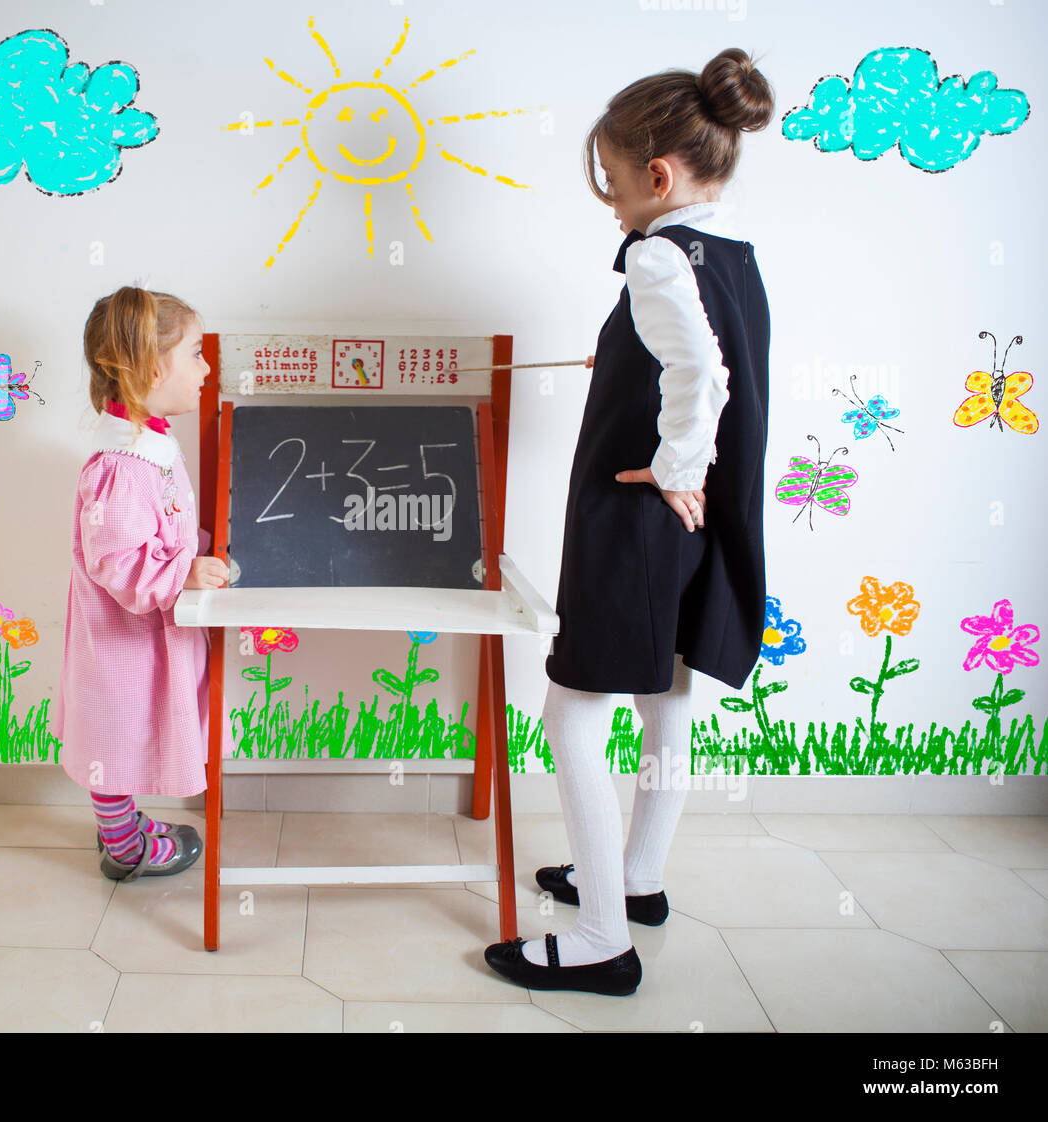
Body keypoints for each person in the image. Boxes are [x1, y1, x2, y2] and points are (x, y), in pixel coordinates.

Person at [485, 48, 775, 995]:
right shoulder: (731, 251)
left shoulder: (656, 251)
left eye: (613, 186)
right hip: (690, 521)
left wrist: (676, 462)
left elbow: (705, 374)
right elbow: (702, 358)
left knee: (573, 705)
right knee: (665, 690)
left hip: (637, 512)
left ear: (659, 177)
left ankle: (603, 939)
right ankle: (638, 880)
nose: (611, 206)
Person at [51, 286, 233, 882]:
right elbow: (119, 561)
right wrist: (183, 572)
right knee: (117, 736)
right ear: (152, 368)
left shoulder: (147, 447)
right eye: (197, 354)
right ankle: (124, 847)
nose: (207, 368)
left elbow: (163, 526)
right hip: (126, 643)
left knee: (126, 734)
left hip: (145, 634)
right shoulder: (124, 465)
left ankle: (124, 826)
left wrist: (197, 548)